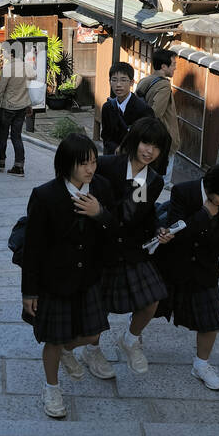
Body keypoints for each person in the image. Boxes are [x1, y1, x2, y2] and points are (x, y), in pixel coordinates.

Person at [21, 132, 116, 419]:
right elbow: (33, 248)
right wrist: (30, 291)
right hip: (54, 280)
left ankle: (67, 349)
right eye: (83, 163)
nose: (91, 169)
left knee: (94, 332)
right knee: (52, 339)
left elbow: (115, 230)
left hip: (89, 278)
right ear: (66, 164)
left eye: (94, 162)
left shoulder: (102, 188)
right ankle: (52, 388)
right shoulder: (45, 195)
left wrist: (99, 212)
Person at [155, 162, 219, 391]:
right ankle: (132, 336)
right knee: (150, 306)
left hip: (205, 267)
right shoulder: (183, 191)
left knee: (209, 321)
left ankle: (201, 364)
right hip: (174, 263)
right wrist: (205, 213)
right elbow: (177, 233)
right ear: (209, 186)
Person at [96, 117, 173, 375]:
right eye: (145, 143)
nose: (149, 151)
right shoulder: (106, 165)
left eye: (156, 147)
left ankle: (130, 340)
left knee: (152, 299)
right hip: (102, 246)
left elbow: (144, 212)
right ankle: (91, 350)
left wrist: (157, 230)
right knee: (99, 305)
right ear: (134, 141)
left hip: (132, 247)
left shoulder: (153, 180)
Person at [136, 49, 179, 187]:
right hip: (162, 135)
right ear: (163, 66)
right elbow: (156, 113)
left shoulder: (145, 81)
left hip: (145, 132)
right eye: (173, 64)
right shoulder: (164, 85)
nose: (175, 67)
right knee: (161, 182)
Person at [0, 46, 32, 176]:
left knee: (3, 135)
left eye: (5, 52)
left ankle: (1, 160)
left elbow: (0, 89)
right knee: (17, 136)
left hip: (8, 107)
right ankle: (19, 165)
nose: (4, 55)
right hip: (22, 106)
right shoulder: (27, 67)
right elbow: (31, 83)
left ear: (11, 54)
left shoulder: (8, 68)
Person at [100, 62, 153, 154]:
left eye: (123, 80)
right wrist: (116, 149)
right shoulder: (107, 107)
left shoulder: (143, 109)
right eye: (114, 80)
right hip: (114, 158)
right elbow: (106, 137)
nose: (118, 85)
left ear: (132, 82)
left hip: (135, 158)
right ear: (110, 82)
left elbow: (149, 138)